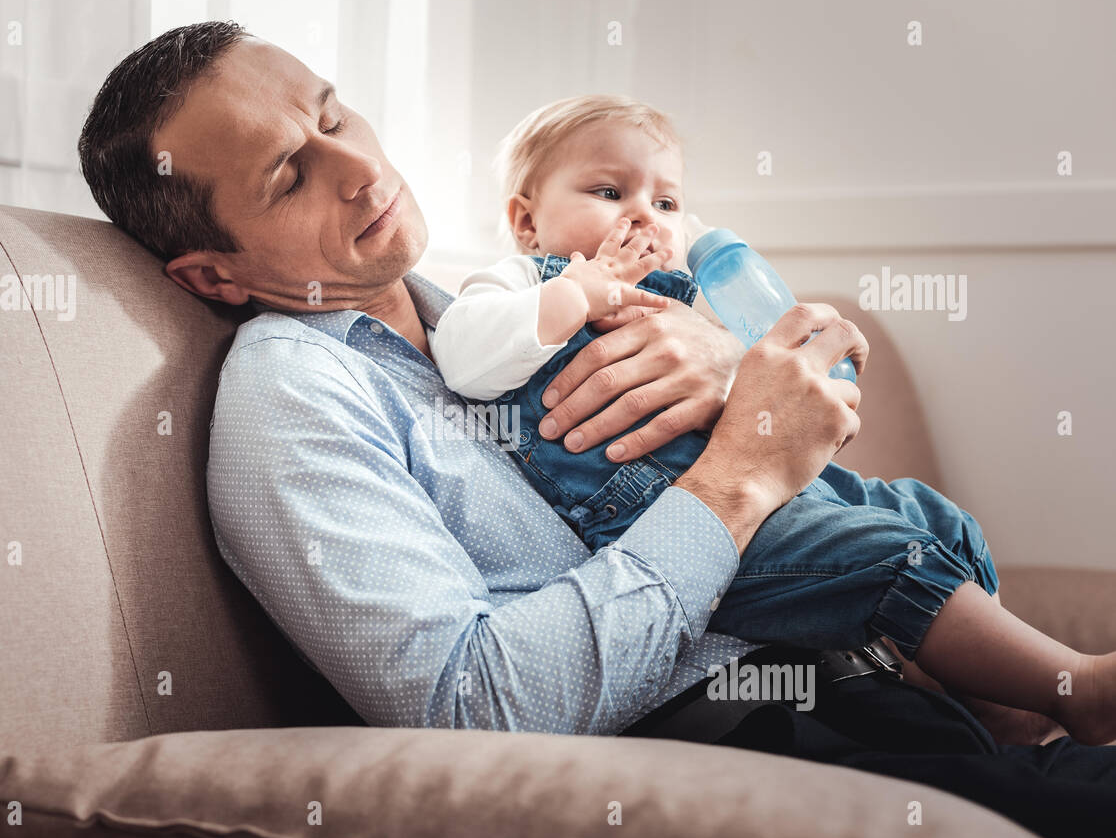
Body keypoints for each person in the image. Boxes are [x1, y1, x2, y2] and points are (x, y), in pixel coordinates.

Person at [76, 21, 1116, 838]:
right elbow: (470, 707)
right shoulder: (290, 390)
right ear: (213, 273)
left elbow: (791, 464)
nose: (358, 165)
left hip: (867, 680)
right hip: (756, 755)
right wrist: (738, 476)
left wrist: (724, 366)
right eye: (289, 174)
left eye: (334, 113)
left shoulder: (484, 320)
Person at [429, 94, 1116, 745]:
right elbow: (463, 357)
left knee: (934, 517)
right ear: (526, 220)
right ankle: (1072, 689)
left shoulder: (691, 302)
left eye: (665, 200)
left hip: (785, 487)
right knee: (885, 557)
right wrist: (578, 291)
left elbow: (771, 393)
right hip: (669, 517)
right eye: (609, 192)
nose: (644, 215)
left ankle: (1003, 708)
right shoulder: (522, 285)